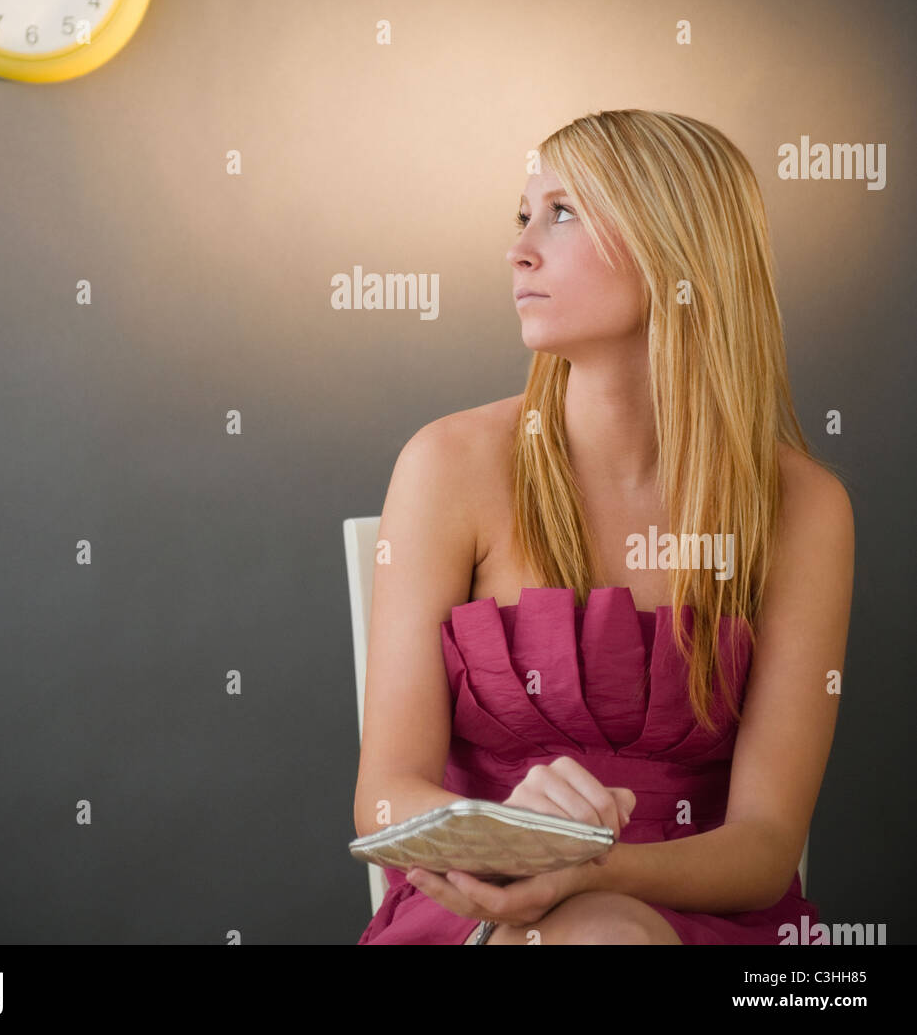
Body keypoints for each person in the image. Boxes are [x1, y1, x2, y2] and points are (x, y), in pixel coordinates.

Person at [354, 108, 853, 945]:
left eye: (565, 211)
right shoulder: (449, 463)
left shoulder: (803, 506)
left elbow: (765, 850)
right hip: (475, 906)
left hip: (714, 919)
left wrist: (585, 867)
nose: (518, 249)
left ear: (676, 245)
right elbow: (384, 796)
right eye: (523, 215)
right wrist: (506, 844)